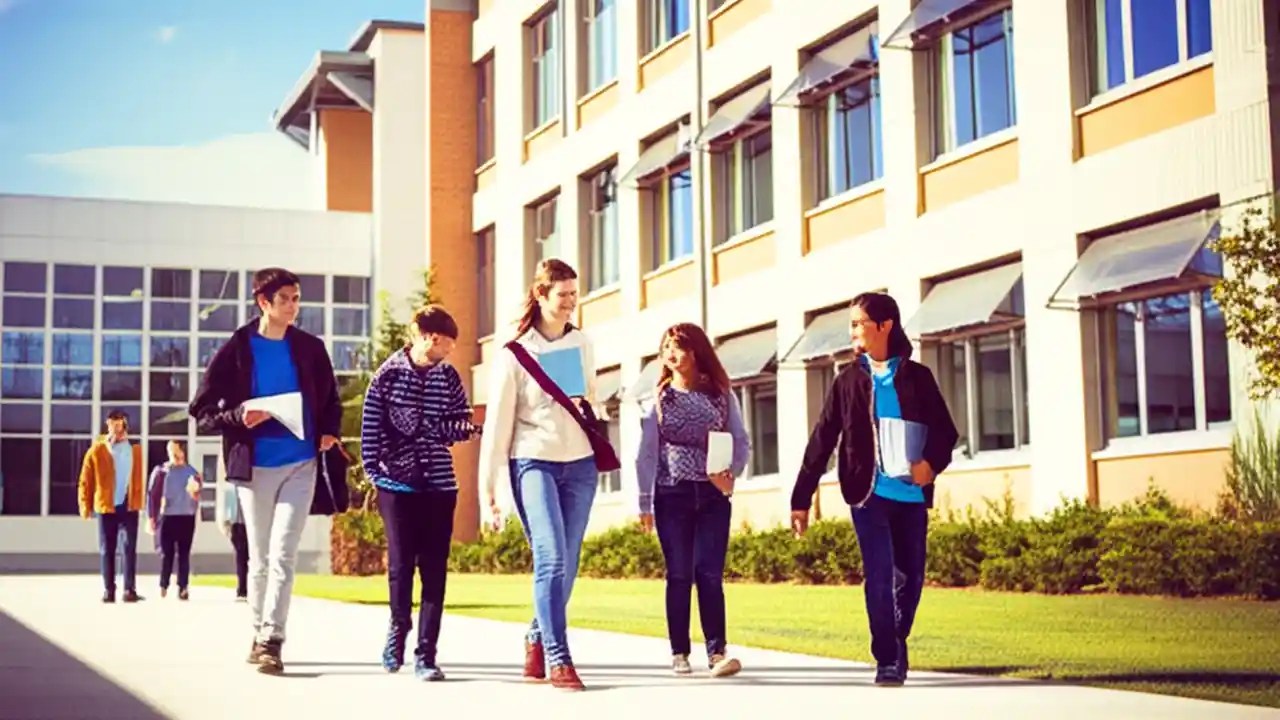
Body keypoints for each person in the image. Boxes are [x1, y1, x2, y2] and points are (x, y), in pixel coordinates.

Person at [789, 292, 958, 687]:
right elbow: (821, 440)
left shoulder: (918, 378)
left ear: (884, 326)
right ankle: (887, 658)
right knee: (879, 574)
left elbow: (946, 431)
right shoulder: (847, 381)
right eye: (851, 324)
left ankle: (896, 641)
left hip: (911, 496)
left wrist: (930, 465)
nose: (852, 331)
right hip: (867, 495)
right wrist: (801, 499)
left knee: (911, 578)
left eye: (858, 323)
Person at [188, 266, 349, 675]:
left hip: (300, 463)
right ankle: (258, 630)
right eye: (285, 300)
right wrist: (240, 414)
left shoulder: (311, 348)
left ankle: (272, 638)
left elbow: (332, 401)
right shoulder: (239, 348)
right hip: (254, 467)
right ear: (264, 302)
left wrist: (329, 433)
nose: (294, 306)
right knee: (259, 557)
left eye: (297, 298)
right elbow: (202, 411)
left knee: (283, 553)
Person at [478, 258, 618, 692]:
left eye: (576, 294)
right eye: (563, 295)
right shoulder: (514, 355)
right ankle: (559, 658)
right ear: (540, 295)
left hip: (578, 463)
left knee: (570, 562)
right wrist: (490, 494)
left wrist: (589, 409)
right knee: (551, 557)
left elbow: (590, 399)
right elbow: (498, 429)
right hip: (532, 461)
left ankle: (537, 635)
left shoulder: (582, 343)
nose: (571, 303)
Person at [361, 304, 481, 681]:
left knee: (435, 568)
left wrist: (461, 429)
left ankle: (426, 654)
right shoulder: (388, 376)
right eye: (446, 344)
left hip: (440, 483)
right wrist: (375, 471)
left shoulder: (448, 378)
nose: (448, 352)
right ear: (428, 337)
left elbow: (456, 423)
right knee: (400, 564)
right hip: (395, 483)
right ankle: (398, 630)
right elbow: (371, 428)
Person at [636, 323, 751, 678]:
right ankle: (680, 652)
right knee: (680, 574)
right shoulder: (658, 399)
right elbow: (646, 454)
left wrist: (730, 475)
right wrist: (643, 502)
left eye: (679, 347)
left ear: (696, 351)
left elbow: (741, 441)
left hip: (714, 495)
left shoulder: (721, 394)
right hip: (672, 494)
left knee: (710, 573)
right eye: (666, 347)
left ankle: (717, 652)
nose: (671, 353)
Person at [78, 409, 145, 604]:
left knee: (129, 547)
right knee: (107, 548)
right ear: (107, 425)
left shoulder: (135, 450)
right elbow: (85, 480)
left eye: (120, 424)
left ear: (125, 426)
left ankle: (129, 589)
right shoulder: (97, 450)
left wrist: (140, 502)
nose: (117, 428)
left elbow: (138, 480)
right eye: (113, 424)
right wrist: (85, 505)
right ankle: (109, 590)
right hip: (106, 506)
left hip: (129, 505)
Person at [147, 440, 202, 600]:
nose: (172, 454)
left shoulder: (191, 472)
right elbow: (152, 495)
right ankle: (163, 584)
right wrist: (151, 516)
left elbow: (197, 494)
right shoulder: (161, 472)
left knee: (183, 554)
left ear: (182, 452)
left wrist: (195, 492)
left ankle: (183, 587)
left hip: (186, 516)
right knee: (166, 553)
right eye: (170, 450)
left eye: (174, 450)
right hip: (167, 517)